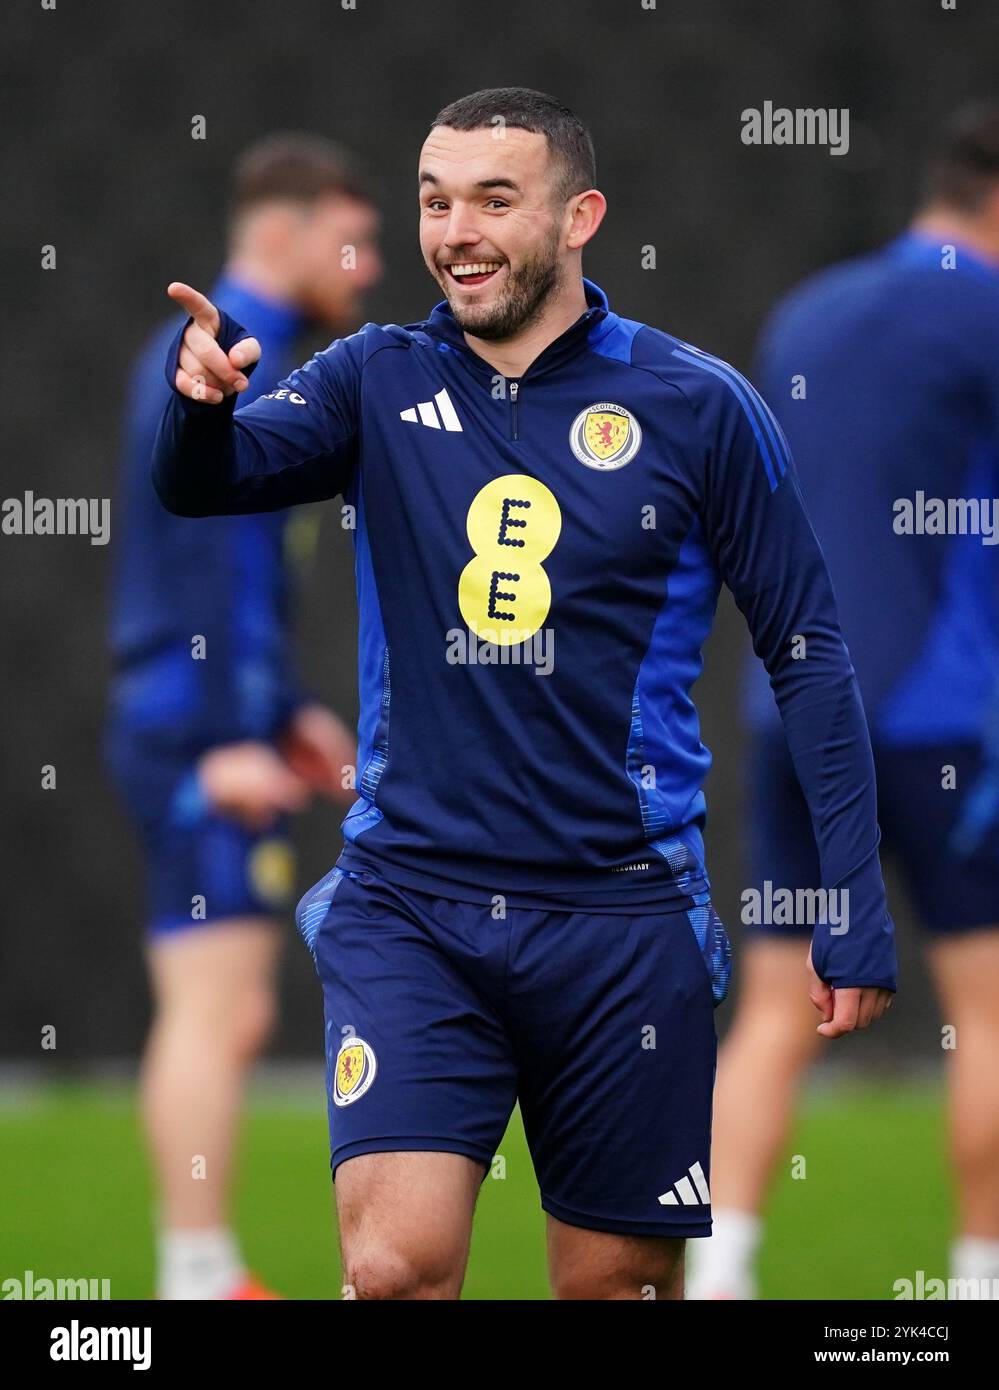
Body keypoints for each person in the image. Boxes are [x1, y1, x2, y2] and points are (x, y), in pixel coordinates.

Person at [150, 87, 895, 1301]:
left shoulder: (699, 407)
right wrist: (199, 408)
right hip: (414, 901)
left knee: (615, 1286)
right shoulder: (372, 378)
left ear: (581, 214)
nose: (457, 231)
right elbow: (210, 480)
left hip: (623, 915)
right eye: (436, 201)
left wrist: (850, 893)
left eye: (496, 199)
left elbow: (807, 650)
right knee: (393, 1268)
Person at [688, 104, 999, 1301]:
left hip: (794, 710)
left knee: (771, 1005)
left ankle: (720, 1278)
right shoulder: (985, 317)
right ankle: (977, 1280)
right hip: (943, 719)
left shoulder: (805, 314)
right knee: (984, 1005)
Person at [106, 132, 382, 1300]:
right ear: (281, 228)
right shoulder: (224, 355)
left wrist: (291, 713)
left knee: (233, 996)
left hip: (209, 710)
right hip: (188, 724)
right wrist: (227, 734)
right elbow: (200, 572)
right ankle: (196, 1274)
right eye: (347, 238)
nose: (364, 267)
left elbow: (240, 583)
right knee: (213, 1003)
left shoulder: (242, 358)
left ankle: (201, 1266)